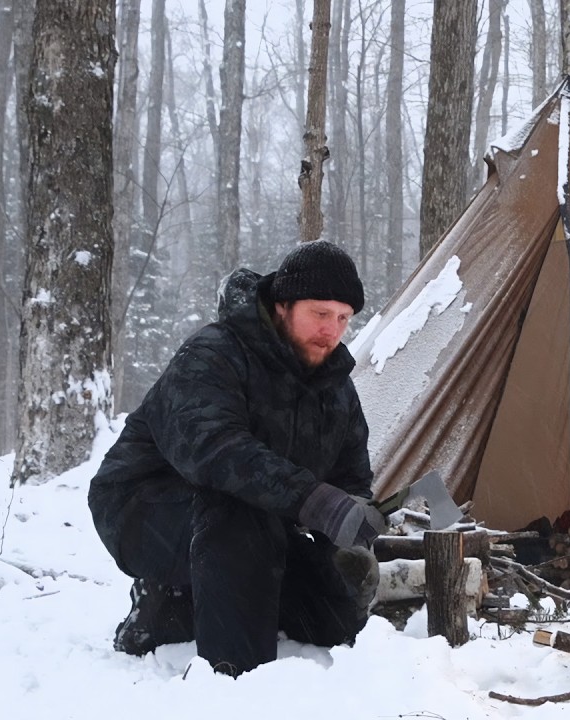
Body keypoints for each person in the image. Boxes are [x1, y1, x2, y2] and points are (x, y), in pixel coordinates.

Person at [88, 240, 387, 676]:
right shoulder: (214, 353)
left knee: (331, 614)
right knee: (240, 517)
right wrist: (313, 500)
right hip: (141, 507)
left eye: (343, 318)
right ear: (283, 306)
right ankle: (234, 680)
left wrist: (349, 533)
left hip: (261, 517)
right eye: (320, 314)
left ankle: (175, 610)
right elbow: (213, 451)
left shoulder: (336, 388)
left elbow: (351, 476)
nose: (332, 331)